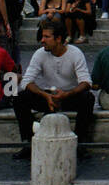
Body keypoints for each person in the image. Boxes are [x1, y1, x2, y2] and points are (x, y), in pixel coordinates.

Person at [13, 20, 95, 158]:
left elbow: (86, 82)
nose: (42, 40)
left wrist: (67, 94)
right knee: (19, 98)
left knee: (88, 98)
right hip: (47, 95)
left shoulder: (75, 53)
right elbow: (27, 80)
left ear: (58, 39)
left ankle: (80, 143)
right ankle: (28, 142)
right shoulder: (40, 54)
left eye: (46, 37)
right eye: (42, 36)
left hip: (68, 96)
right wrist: (45, 96)